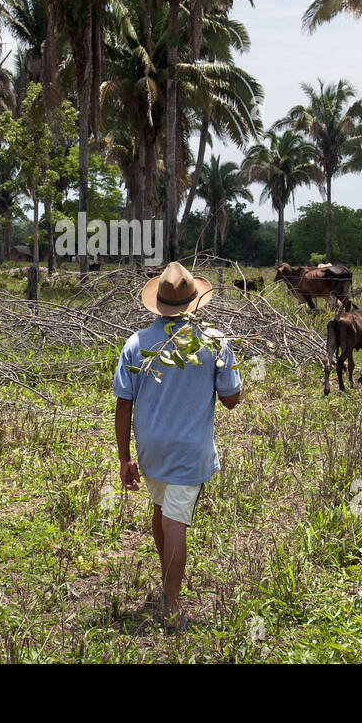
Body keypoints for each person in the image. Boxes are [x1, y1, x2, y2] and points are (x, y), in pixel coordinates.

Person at [112, 261, 242, 629]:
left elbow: (124, 404)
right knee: (176, 522)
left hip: (151, 448)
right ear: (194, 302)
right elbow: (231, 399)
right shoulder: (214, 341)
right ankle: (171, 609)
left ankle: (167, 583)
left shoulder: (137, 343)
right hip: (190, 449)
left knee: (161, 509)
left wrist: (125, 459)